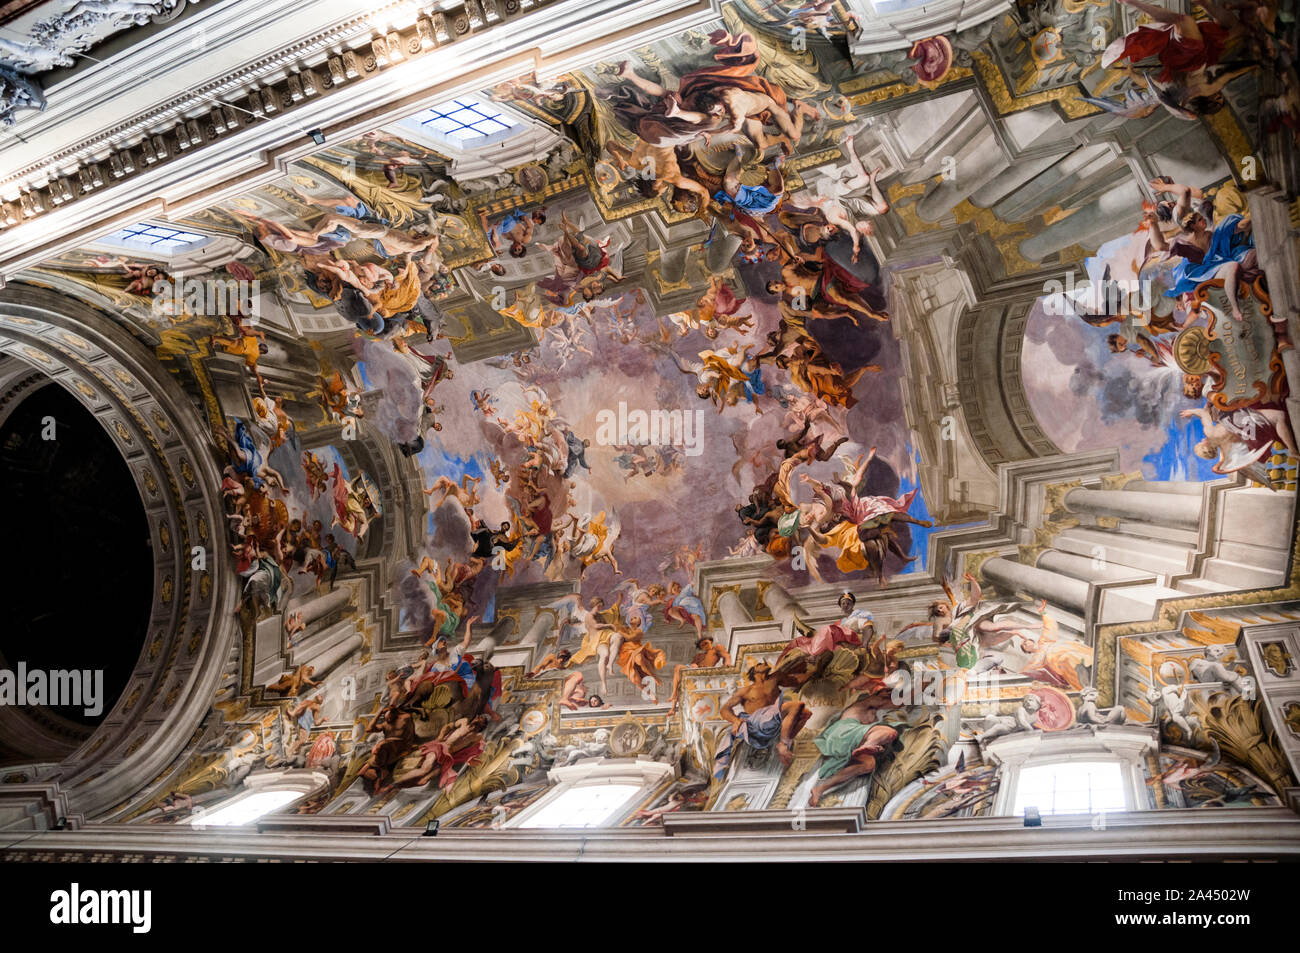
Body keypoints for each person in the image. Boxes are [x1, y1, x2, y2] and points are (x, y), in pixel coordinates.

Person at [713, 661, 810, 780]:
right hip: (756, 721)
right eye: (759, 663)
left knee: (806, 713)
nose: (764, 663)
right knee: (796, 706)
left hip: (774, 717)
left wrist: (815, 670)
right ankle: (782, 744)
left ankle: (786, 741)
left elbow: (797, 681)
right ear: (754, 671)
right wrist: (736, 721)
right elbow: (724, 709)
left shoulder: (775, 678)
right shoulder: (747, 691)